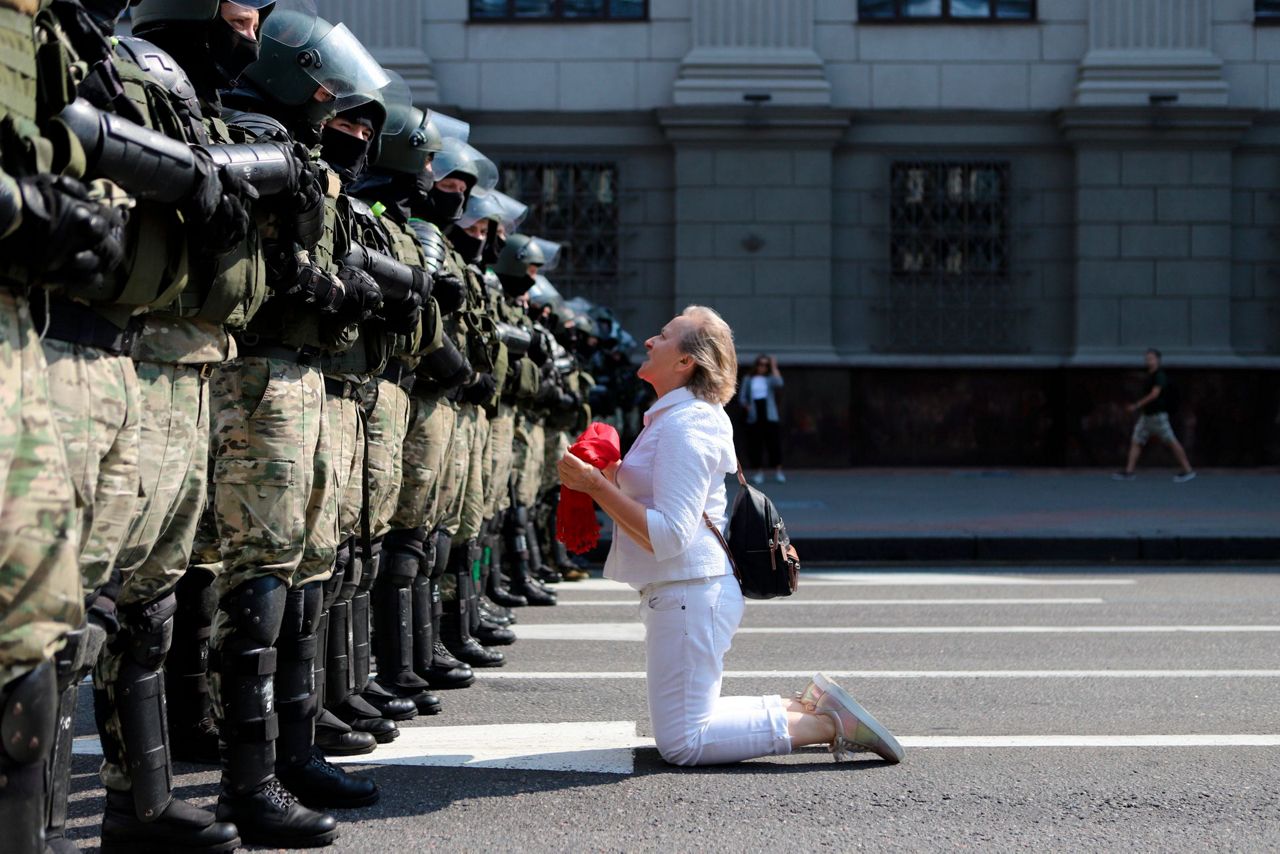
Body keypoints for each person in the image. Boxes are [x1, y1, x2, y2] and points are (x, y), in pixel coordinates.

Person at [557, 306, 903, 767]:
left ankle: (830, 724)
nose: (649, 342)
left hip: (689, 592)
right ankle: (803, 707)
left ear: (686, 362)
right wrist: (613, 471)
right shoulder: (673, 418)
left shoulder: (687, 424)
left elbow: (670, 536)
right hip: (684, 592)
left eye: (663, 336)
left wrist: (595, 486)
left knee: (684, 743)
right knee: (689, 723)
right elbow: (665, 500)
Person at [1114, 348, 1196, 483]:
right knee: (1136, 440)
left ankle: (1188, 470)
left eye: (1151, 358)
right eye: (1147, 358)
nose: (1148, 360)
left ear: (1158, 360)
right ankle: (1129, 471)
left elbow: (1154, 394)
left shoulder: (1159, 375)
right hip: (1147, 416)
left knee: (1171, 441)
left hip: (1157, 416)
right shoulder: (1150, 375)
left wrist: (1136, 406)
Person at [738, 353, 785, 485]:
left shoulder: (769, 378)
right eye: (760, 364)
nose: (762, 367)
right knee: (756, 444)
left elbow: (779, 383)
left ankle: (778, 471)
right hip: (755, 413)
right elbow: (742, 397)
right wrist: (747, 407)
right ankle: (759, 472)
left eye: (765, 365)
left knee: (774, 443)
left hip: (769, 413)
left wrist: (774, 366)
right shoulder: (749, 378)